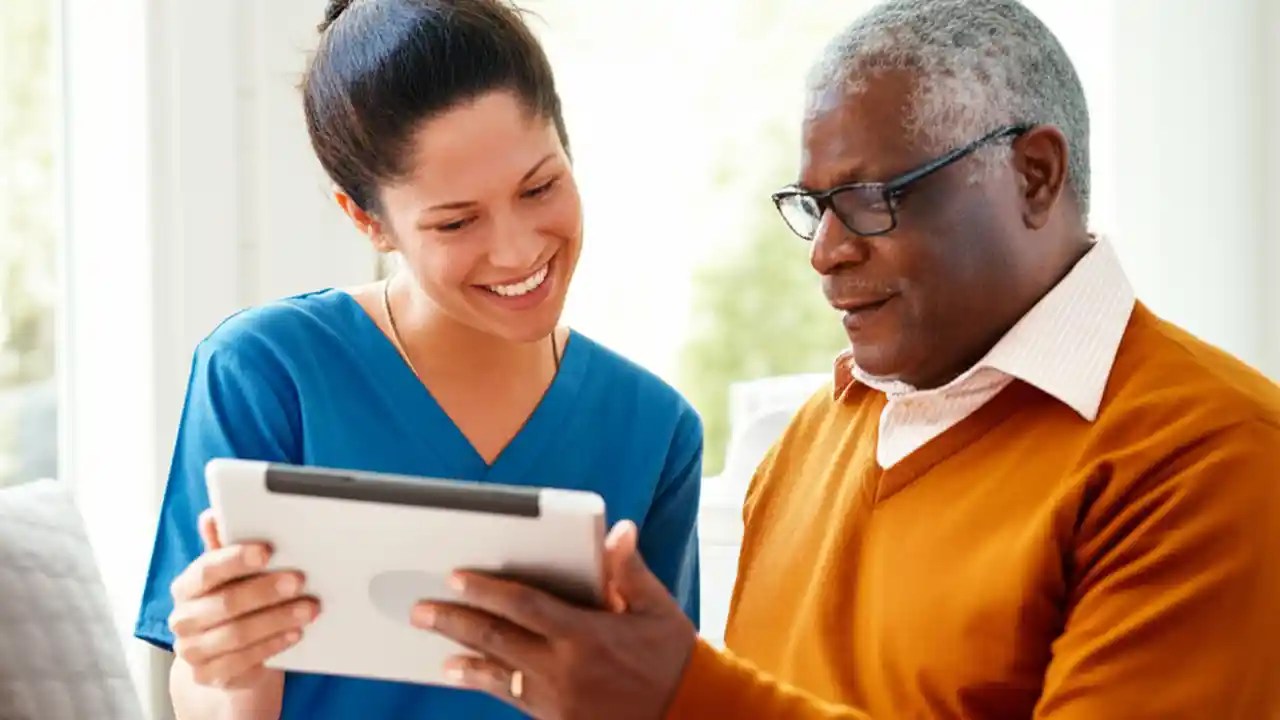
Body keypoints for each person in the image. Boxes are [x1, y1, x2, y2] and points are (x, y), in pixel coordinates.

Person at [415, 0, 1280, 718]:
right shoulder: (803, 446)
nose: (825, 251)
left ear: (1035, 175)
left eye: (869, 199)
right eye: (814, 205)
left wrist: (680, 693)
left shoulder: (1214, 458)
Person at [132, 2, 703, 719]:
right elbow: (216, 701)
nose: (519, 250)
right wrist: (227, 667)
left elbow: (658, 700)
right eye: (457, 221)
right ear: (367, 219)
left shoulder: (652, 430)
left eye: (540, 187)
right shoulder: (268, 374)